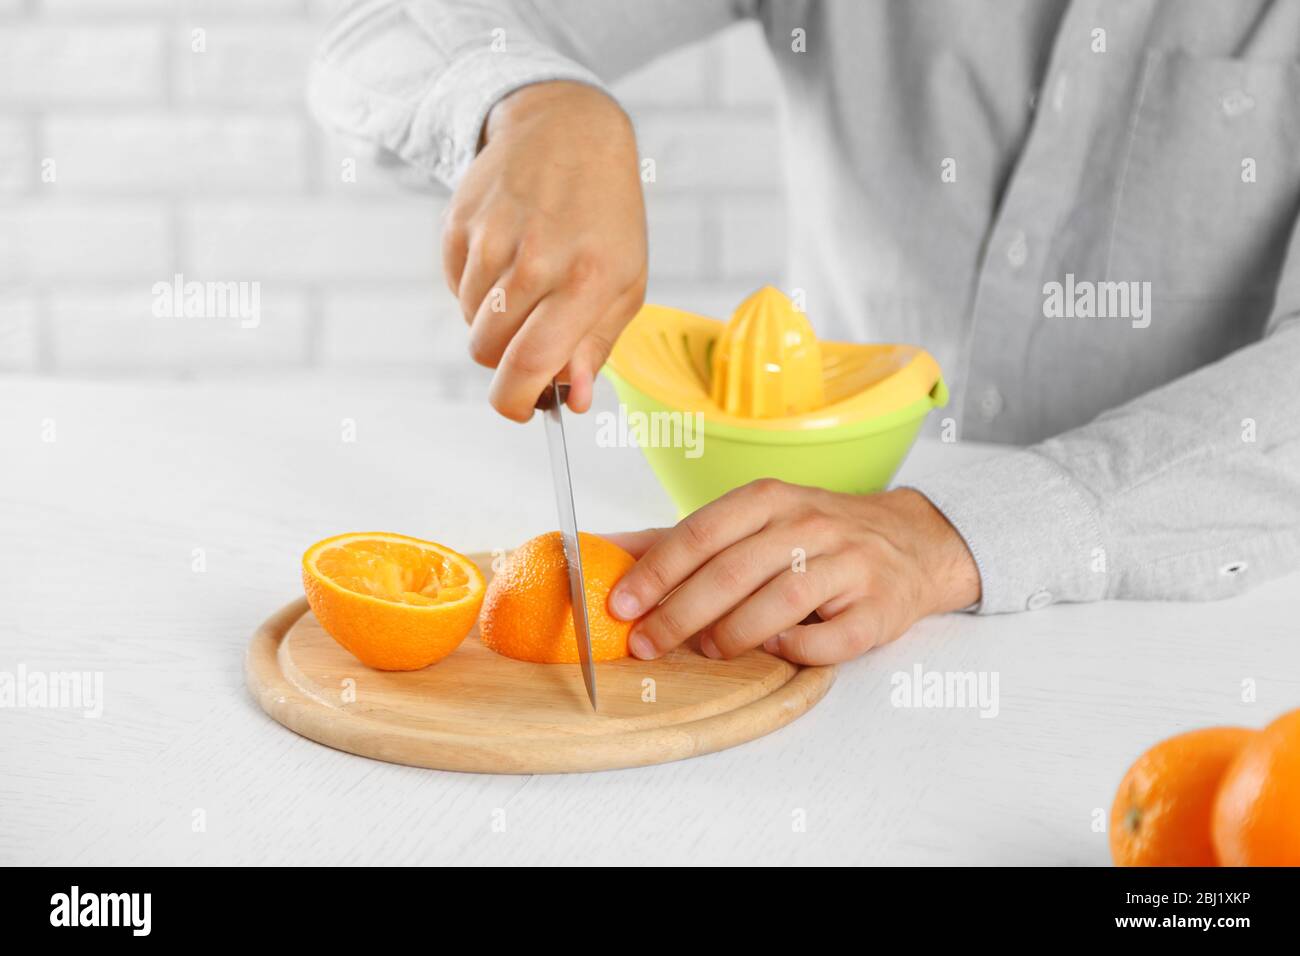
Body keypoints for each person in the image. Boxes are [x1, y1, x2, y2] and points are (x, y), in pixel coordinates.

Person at [308, 0, 1300, 665]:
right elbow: (380, 28)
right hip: (814, 631)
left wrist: (950, 530)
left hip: (1203, 638)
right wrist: (523, 100)